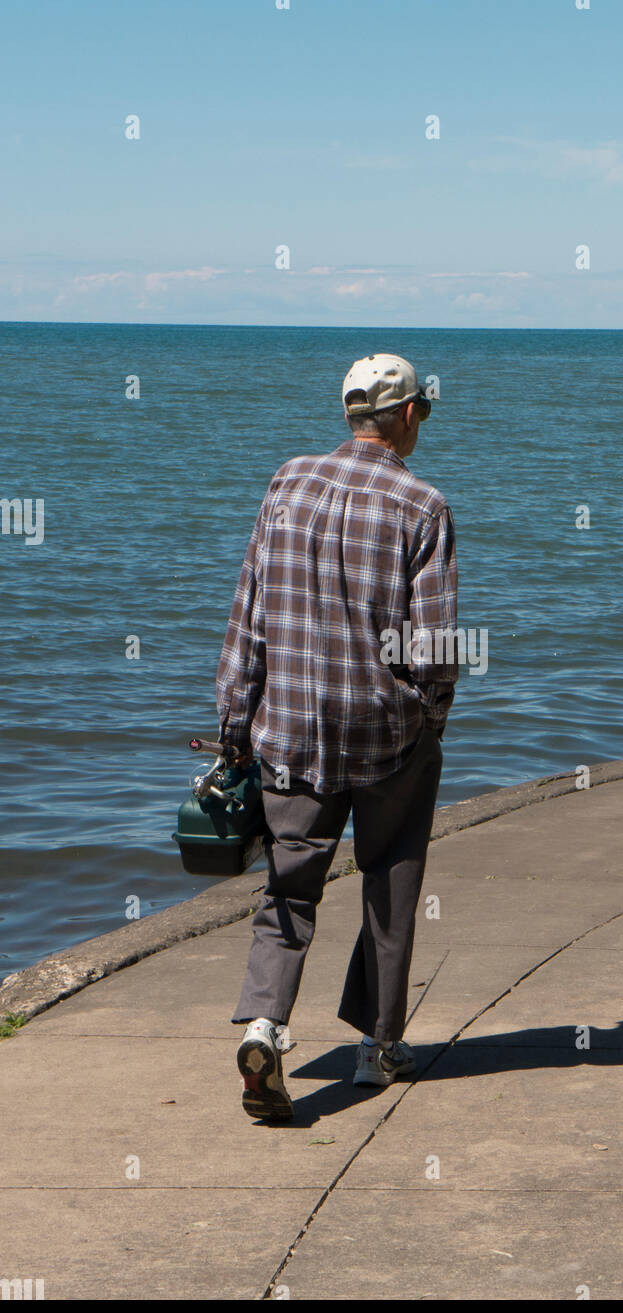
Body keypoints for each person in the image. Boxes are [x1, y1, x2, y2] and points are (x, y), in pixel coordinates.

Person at [215, 353, 458, 1121]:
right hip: (387, 734)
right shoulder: (421, 505)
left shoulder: (285, 482)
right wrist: (431, 718)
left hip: (288, 728)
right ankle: (377, 1047)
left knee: (288, 892)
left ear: (350, 414)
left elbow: (247, 613)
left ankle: (264, 1025)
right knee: (390, 881)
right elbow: (435, 646)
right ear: (410, 414)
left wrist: (235, 721)